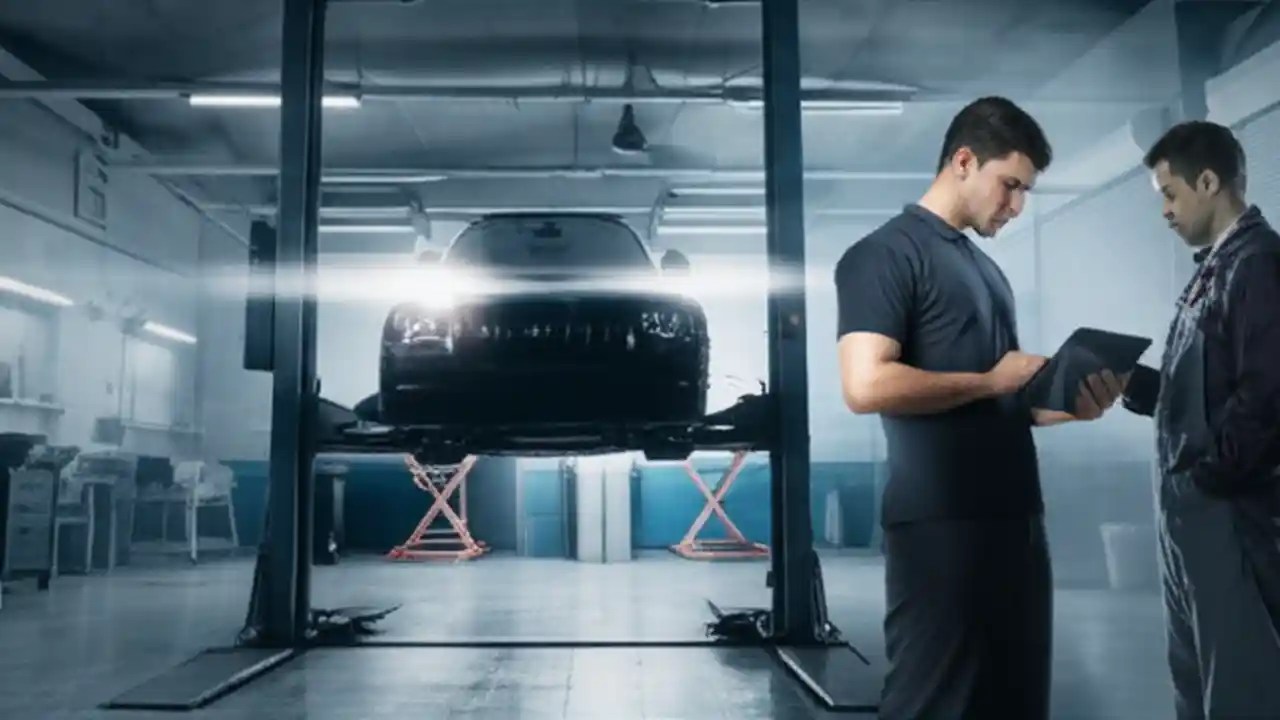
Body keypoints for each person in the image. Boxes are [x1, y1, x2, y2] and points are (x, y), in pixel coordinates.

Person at [833, 96, 1128, 720]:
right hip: (941, 525)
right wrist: (992, 381)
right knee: (936, 705)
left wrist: (1066, 406)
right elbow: (864, 384)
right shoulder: (883, 254)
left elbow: (1005, 398)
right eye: (1010, 185)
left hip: (1016, 521)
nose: (1016, 206)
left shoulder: (985, 270)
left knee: (1015, 704)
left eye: (1025, 192)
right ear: (964, 161)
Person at [1127, 120, 1280, 719]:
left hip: (1228, 518)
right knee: (1195, 685)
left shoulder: (1258, 265)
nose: (1165, 211)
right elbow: (1211, 389)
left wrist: (1210, 480)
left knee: (1239, 687)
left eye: (1170, 194)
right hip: (1189, 516)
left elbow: (1267, 396)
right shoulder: (1214, 268)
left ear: (1209, 182)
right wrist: (1141, 387)